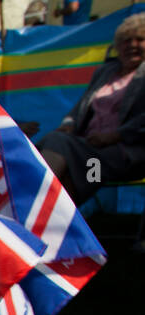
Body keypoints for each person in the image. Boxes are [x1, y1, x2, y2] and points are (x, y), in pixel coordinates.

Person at [38, 13, 145, 204]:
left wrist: (116, 135)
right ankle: (46, 217)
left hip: (124, 153)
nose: (132, 45)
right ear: (118, 47)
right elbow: (80, 108)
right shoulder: (106, 72)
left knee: (79, 164)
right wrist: (68, 124)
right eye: (126, 41)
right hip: (89, 149)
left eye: (140, 39)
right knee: (61, 143)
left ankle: (37, 200)